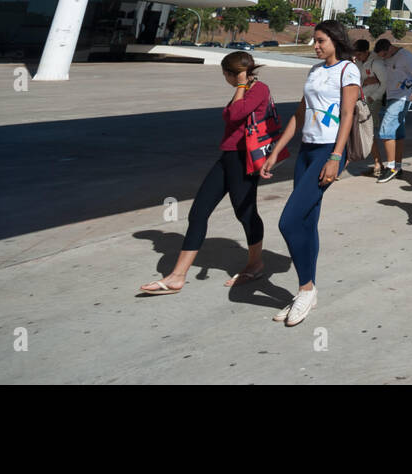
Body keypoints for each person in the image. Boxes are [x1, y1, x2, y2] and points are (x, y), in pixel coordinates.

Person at [140, 51, 272, 295]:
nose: (225, 78)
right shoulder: (245, 89)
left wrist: (241, 85)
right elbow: (229, 116)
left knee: (246, 213)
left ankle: (255, 264)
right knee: (199, 212)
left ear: (234, 73)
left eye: (225, 74)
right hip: (228, 156)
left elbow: (234, 114)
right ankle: (177, 277)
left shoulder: (258, 89)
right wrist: (240, 87)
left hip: (244, 159)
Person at [260, 21, 360, 326]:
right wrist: (276, 151)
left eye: (320, 41)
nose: (315, 46)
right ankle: (309, 291)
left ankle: (305, 288)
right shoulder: (315, 71)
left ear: (335, 40)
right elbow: (301, 113)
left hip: (328, 151)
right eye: (314, 41)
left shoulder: (348, 70)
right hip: (307, 149)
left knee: (288, 221)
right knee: (307, 220)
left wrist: (336, 156)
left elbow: (347, 115)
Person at [374, 37, 412, 183]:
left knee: (386, 129)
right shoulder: (384, 57)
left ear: (390, 48)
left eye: (384, 55)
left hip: (402, 98)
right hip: (390, 96)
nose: (383, 58)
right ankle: (398, 166)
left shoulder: (405, 56)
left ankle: (391, 167)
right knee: (398, 133)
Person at [354, 39, 387, 175]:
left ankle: (378, 162)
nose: (357, 57)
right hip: (360, 99)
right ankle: (377, 161)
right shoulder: (358, 63)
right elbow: (357, 80)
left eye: (360, 54)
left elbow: (385, 83)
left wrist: (374, 97)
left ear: (366, 52)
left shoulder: (377, 63)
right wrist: (365, 81)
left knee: (369, 132)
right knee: (357, 132)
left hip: (372, 101)